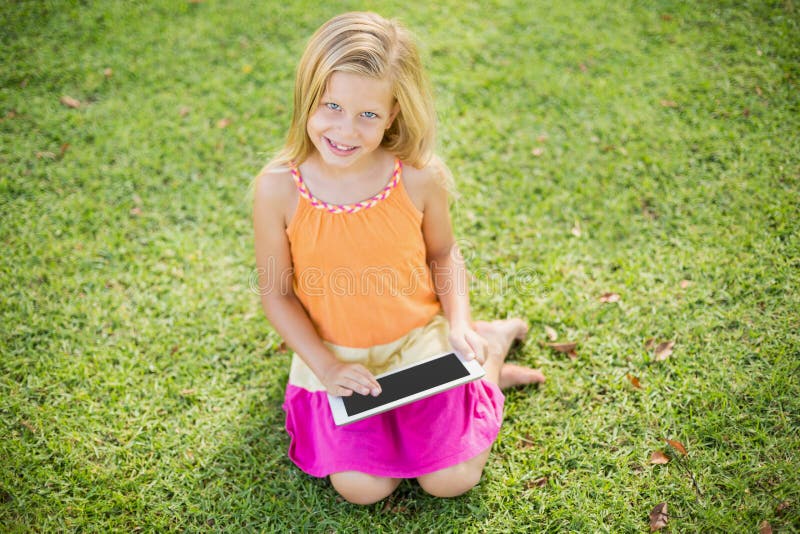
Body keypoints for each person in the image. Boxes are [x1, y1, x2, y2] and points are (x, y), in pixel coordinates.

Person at [252, 11, 545, 505]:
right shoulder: (278, 189)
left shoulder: (415, 177)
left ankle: (487, 352)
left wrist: (458, 322)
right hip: (339, 356)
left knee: (450, 480)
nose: (346, 130)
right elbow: (277, 295)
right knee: (362, 489)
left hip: (419, 345)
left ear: (393, 114)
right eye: (332, 106)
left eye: (368, 114)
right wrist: (324, 366)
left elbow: (444, 254)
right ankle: (483, 359)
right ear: (307, 99)